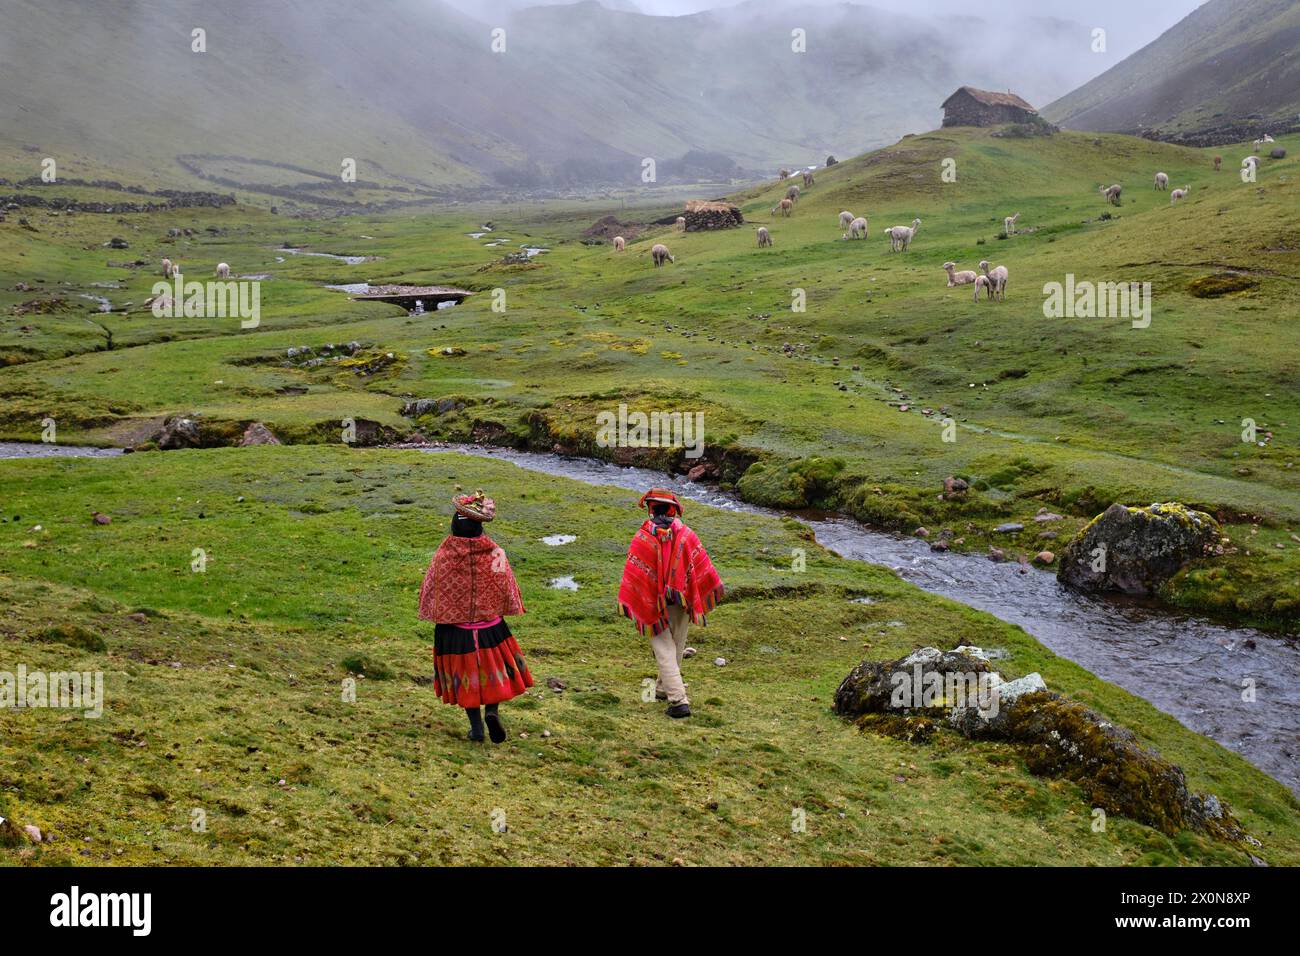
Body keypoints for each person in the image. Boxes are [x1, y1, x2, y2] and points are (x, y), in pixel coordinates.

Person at [418, 490, 533, 743]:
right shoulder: (495, 553)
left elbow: (432, 589)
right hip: (491, 628)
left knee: (466, 680)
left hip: (456, 632)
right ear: (479, 529)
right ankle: (492, 712)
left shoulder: (444, 556)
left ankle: (477, 729)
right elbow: (507, 587)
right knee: (494, 673)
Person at [617, 488, 723, 719]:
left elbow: (635, 572)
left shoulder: (643, 537)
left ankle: (678, 701)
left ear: (651, 509)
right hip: (682, 599)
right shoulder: (686, 535)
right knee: (675, 644)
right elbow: (700, 564)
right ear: (673, 509)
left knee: (664, 648)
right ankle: (664, 689)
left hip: (653, 603)